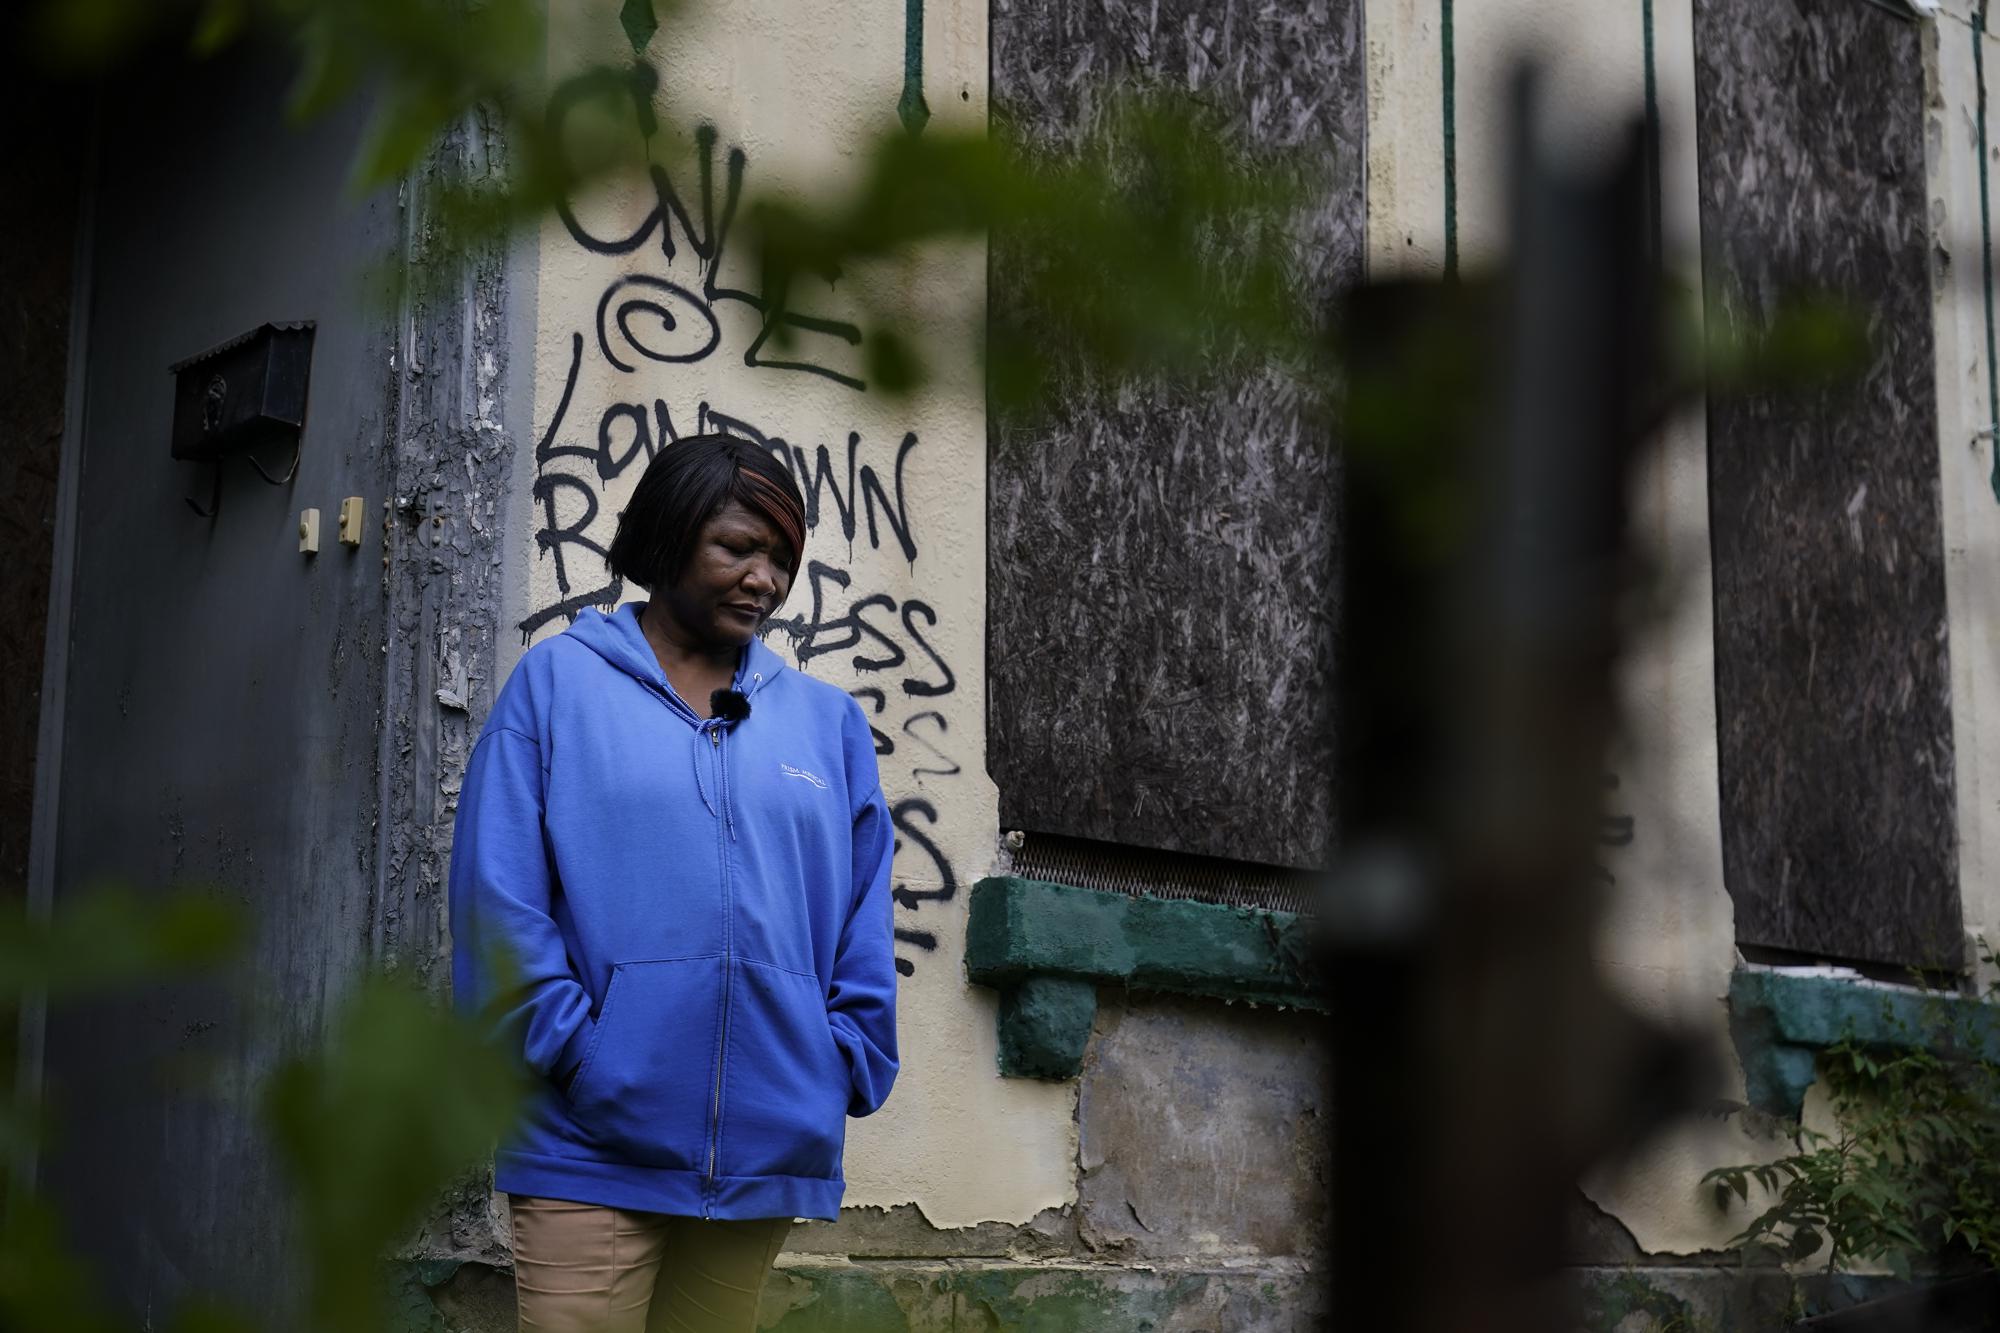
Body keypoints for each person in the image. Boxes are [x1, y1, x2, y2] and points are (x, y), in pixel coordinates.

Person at [448, 433, 900, 1333]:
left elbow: (863, 916)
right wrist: (583, 1059)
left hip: (765, 1155)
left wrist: (832, 1060)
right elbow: (498, 903)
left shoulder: (826, 724)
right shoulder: (557, 687)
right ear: (667, 537)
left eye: (781, 558)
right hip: (589, 1147)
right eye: (737, 547)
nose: (764, 579)